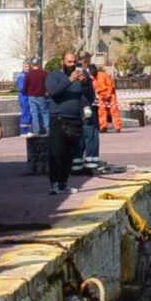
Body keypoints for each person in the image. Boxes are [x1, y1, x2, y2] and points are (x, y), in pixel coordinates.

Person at [46, 53, 94, 196]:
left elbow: (90, 96)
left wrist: (86, 83)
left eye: (74, 62)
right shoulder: (54, 76)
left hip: (75, 120)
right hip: (59, 119)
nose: (72, 64)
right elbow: (54, 92)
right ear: (62, 62)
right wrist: (69, 80)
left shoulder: (80, 76)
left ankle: (63, 183)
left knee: (69, 154)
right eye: (69, 62)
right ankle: (54, 184)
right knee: (57, 153)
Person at [19, 58, 50, 138]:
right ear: (39, 64)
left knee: (34, 114)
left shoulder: (28, 74)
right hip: (42, 95)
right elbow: (48, 84)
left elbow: (24, 86)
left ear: (32, 65)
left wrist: (28, 92)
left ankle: (37, 131)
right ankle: (48, 129)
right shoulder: (44, 73)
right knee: (45, 113)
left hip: (31, 96)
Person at [92, 59, 121, 134]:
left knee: (114, 110)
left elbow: (110, 85)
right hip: (101, 95)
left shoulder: (103, 75)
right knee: (101, 111)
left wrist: (108, 95)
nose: (93, 74)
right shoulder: (91, 78)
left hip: (110, 94)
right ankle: (103, 126)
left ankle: (118, 127)